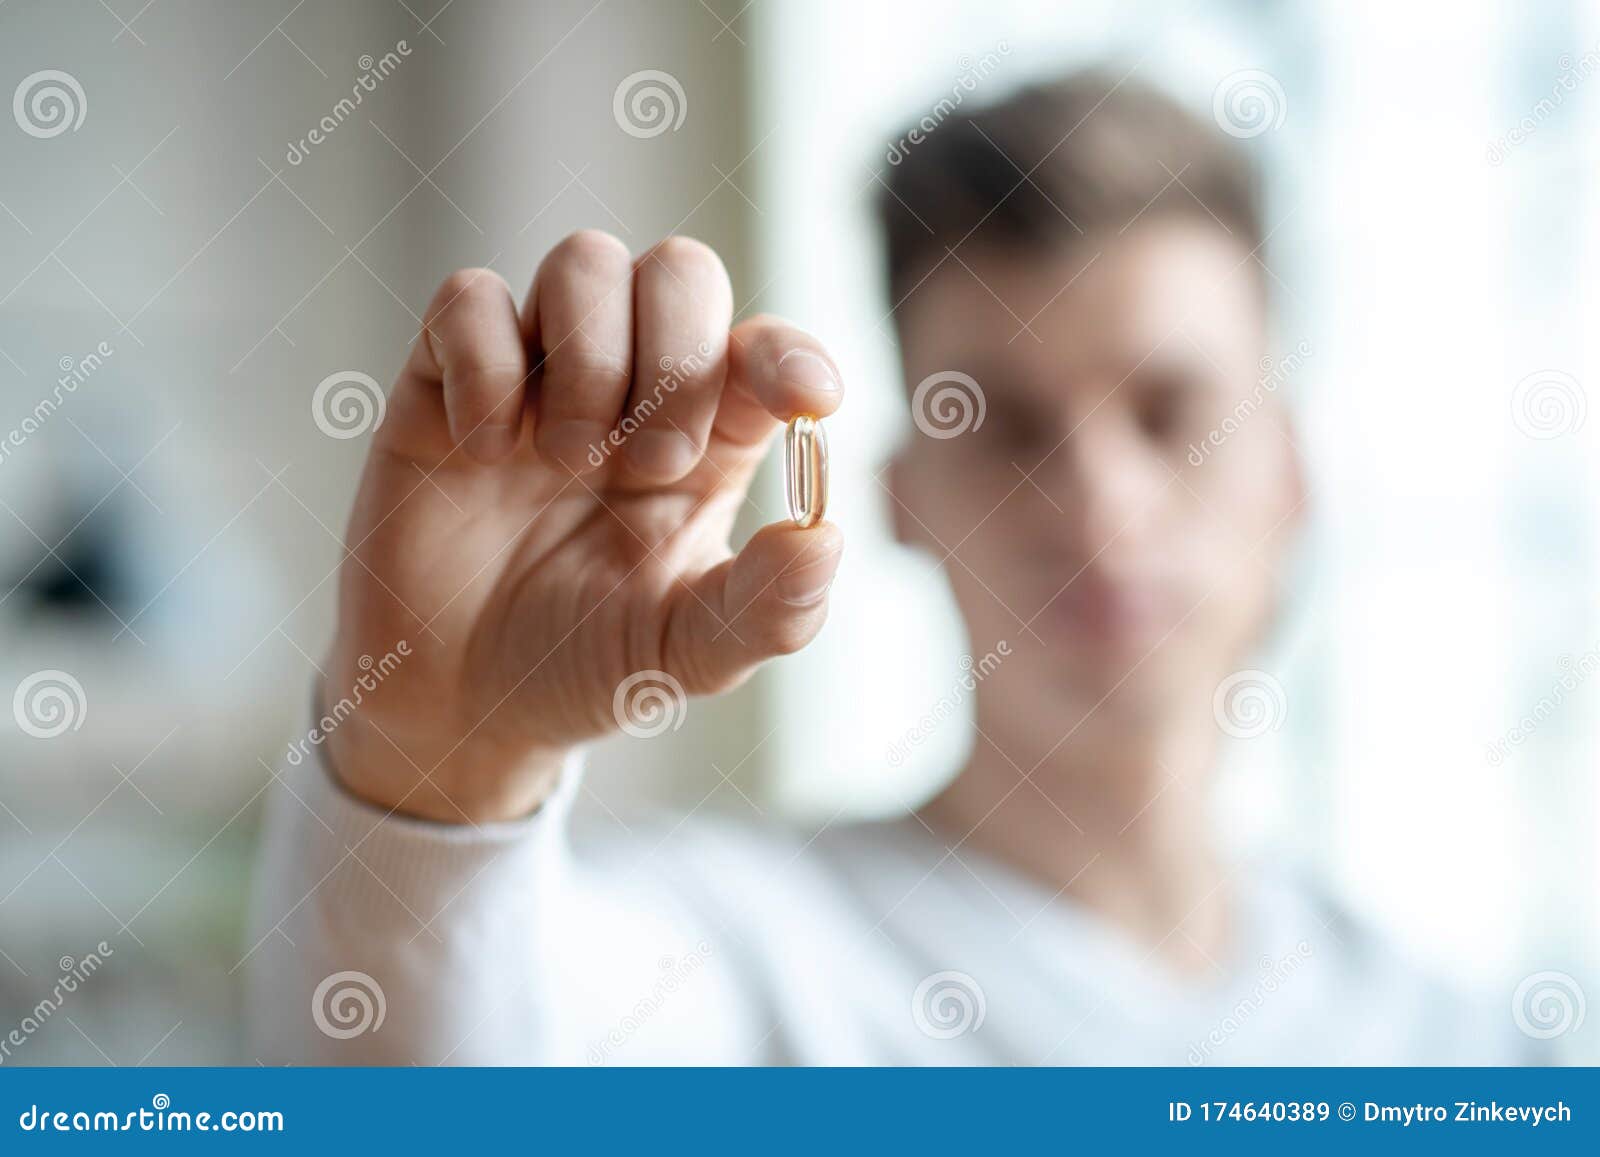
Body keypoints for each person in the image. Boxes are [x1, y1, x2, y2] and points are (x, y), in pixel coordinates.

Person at [248, 72, 1525, 1064]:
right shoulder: (726, 955)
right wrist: (445, 760)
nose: (1098, 503)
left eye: (1170, 413)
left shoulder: (1468, 1042)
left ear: (1289, 471)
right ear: (899, 497)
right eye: (1004, 423)